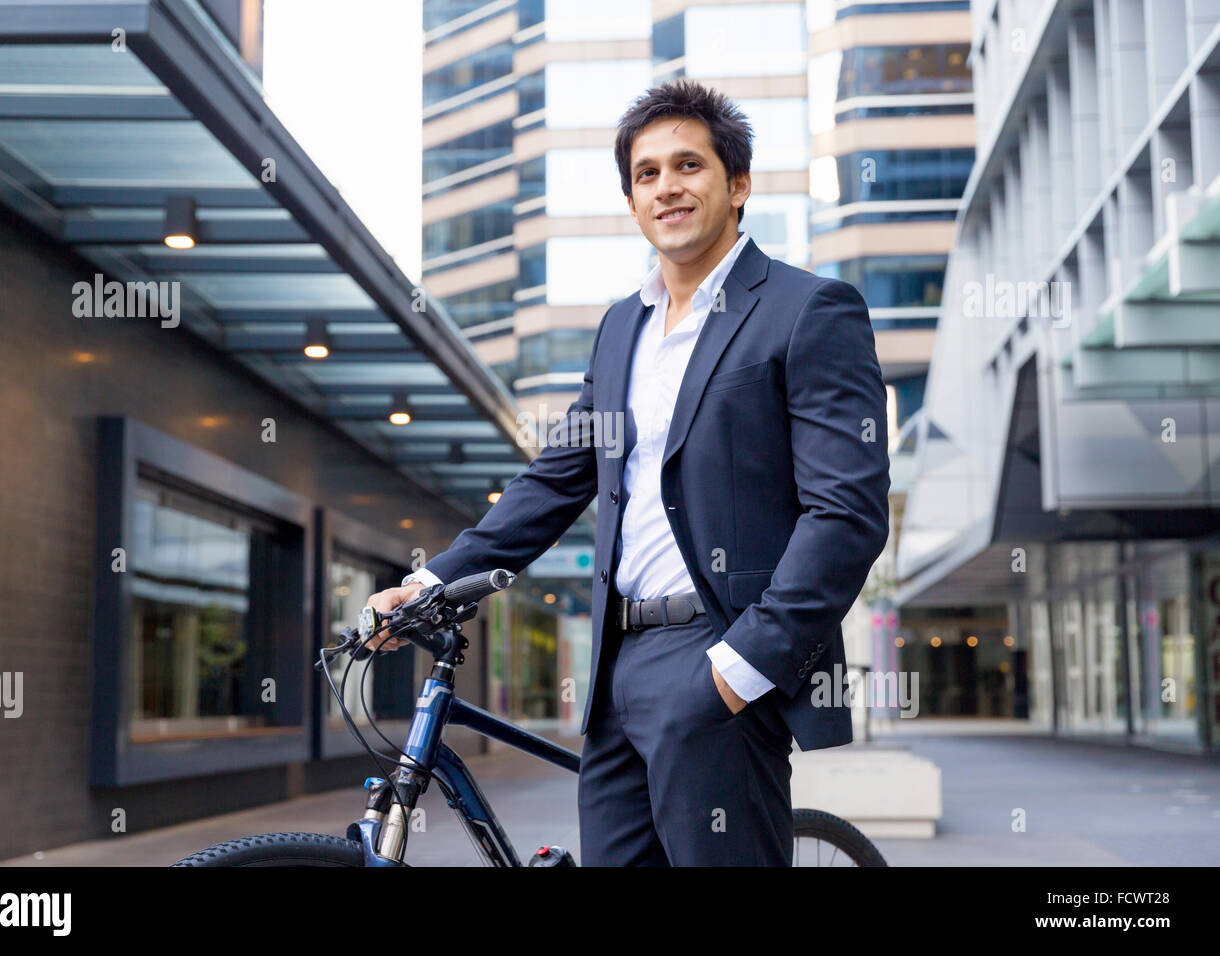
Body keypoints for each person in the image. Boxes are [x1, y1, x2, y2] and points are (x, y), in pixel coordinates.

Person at [367, 79, 890, 865]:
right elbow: (556, 479)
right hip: (616, 669)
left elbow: (846, 514)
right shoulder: (622, 328)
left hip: (718, 653)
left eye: (689, 166)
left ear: (738, 184)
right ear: (631, 198)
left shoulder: (808, 309)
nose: (667, 187)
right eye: (646, 174)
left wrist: (739, 668)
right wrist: (434, 580)